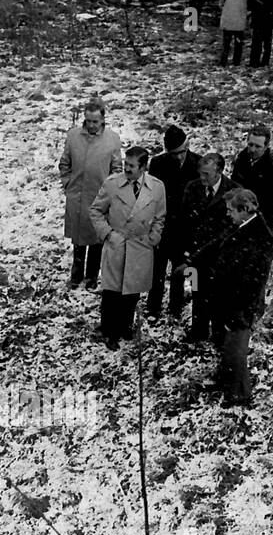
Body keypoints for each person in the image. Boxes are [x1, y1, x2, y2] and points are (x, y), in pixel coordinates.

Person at [89, 146, 166, 349]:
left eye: (132, 165)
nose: (127, 168)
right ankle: (109, 331)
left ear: (143, 167)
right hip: (117, 244)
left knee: (132, 291)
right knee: (112, 291)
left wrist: (154, 237)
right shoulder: (113, 184)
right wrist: (108, 234)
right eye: (126, 164)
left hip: (141, 246)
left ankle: (125, 327)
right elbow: (96, 211)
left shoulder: (157, 187)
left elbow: (160, 217)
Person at [209, 188, 272, 406]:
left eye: (231, 211)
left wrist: (239, 309)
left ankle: (240, 396)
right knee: (226, 345)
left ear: (244, 210)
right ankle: (226, 381)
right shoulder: (242, 226)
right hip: (228, 298)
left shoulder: (260, 237)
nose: (228, 215)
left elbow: (253, 281)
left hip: (241, 304)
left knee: (236, 349)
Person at [59, 98, 123, 290]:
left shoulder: (112, 139)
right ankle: (76, 275)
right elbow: (64, 163)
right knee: (78, 239)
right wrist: (68, 184)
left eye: (95, 121)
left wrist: (110, 193)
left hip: (99, 197)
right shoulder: (73, 136)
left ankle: (92, 277)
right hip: (77, 196)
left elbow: (116, 169)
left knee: (96, 238)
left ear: (103, 120)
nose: (92, 125)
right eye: (88, 121)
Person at [178, 152, 238, 342]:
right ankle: (199, 331)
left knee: (220, 297)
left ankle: (220, 335)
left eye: (207, 174)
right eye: (200, 173)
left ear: (219, 171)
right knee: (197, 294)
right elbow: (184, 219)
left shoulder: (234, 191)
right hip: (195, 255)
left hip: (220, 256)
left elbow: (232, 228)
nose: (202, 178)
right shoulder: (192, 188)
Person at [147, 124, 202, 321]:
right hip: (164, 225)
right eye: (173, 153)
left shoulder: (199, 164)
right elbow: (151, 195)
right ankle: (153, 308)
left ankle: (176, 308)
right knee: (157, 269)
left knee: (183, 269)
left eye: (182, 152)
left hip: (187, 227)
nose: (178, 157)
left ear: (187, 146)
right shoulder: (158, 164)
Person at [230, 123, 273, 235]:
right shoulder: (241, 160)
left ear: (266, 147)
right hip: (237, 221)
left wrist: (266, 226)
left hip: (261, 225)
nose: (252, 149)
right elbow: (233, 187)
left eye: (258, 146)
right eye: (250, 145)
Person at [218, 0, 255, 67]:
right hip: (241, 13)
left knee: (226, 42)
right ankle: (236, 62)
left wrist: (221, 5)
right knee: (238, 42)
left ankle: (224, 61)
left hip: (228, 13)